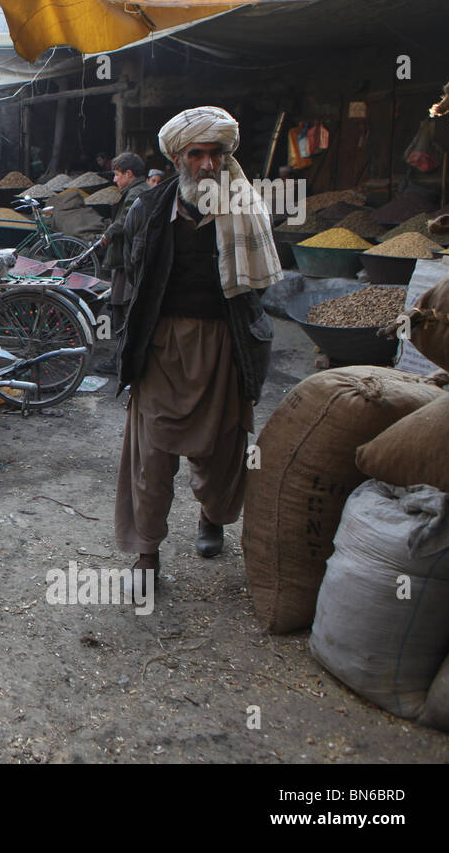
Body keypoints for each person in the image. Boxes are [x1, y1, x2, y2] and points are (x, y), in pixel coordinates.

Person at [114, 106, 282, 591]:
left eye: (215, 154)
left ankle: (212, 518)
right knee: (152, 458)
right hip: (162, 346)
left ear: (226, 157)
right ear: (178, 158)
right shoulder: (148, 209)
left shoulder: (247, 210)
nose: (207, 164)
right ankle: (147, 554)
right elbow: (133, 274)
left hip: (224, 345)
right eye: (197, 154)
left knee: (219, 451)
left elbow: (258, 290)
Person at [92, 152, 151, 375]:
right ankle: (124, 358)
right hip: (128, 260)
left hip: (128, 262)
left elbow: (124, 221)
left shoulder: (136, 193)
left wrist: (106, 235)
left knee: (122, 310)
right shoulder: (138, 190)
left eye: (117, 175)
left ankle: (123, 361)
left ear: (129, 173)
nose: (115, 180)